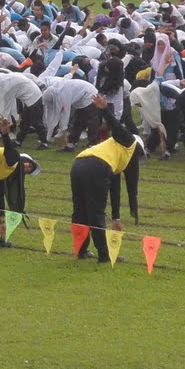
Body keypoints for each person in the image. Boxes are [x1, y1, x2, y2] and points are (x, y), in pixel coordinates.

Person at [68, 94, 143, 263]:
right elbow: (116, 127)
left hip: (79, 163)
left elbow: (114, 191)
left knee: (80, 211)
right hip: (96, 166)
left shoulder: (116, 157)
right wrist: (105, 110)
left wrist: (116, 218)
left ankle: (81, 250)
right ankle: (104, 255)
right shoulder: (129, 143)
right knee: (95, 213)